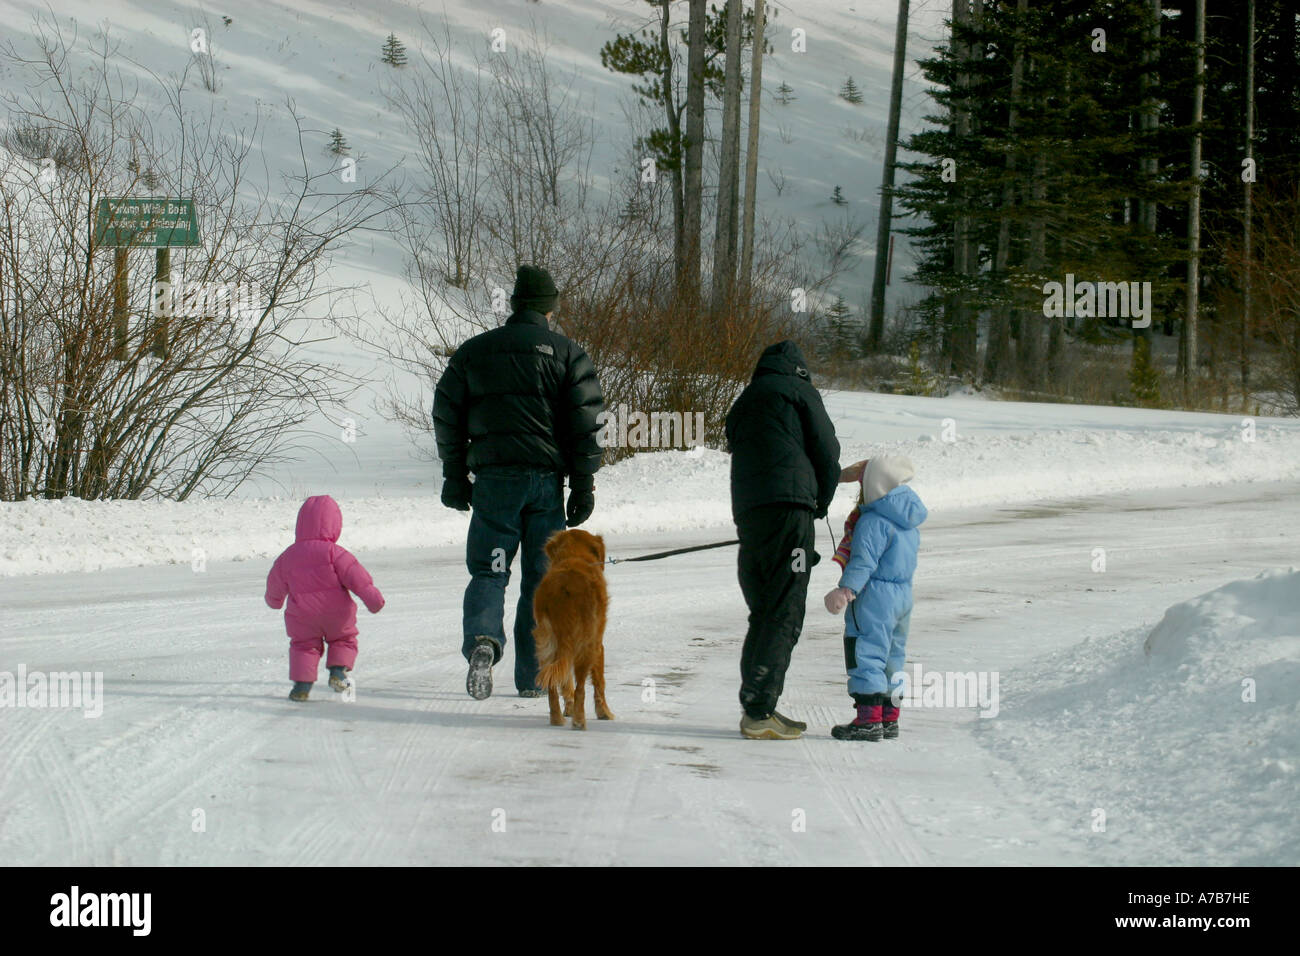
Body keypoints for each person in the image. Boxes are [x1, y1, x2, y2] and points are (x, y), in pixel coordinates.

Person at [433, 265, 604, 700]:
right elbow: (588, 424)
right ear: (550, 307)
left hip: (494, 484)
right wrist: (583, 486)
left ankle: (483, 640)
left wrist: (455, 475)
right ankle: (532, 677)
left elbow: (446, 414)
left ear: (513, 305)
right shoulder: (568, 354)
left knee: (490, 570)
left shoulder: (474, 352)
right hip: (546, 485)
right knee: (540, 581)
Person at [725, 340, 841, 740]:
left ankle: (757, 705)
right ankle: (759, 711)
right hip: (791, 514)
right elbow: (827, 450)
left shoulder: (743, 402)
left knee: (763, 610)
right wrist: (819, 502)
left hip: (751, 517)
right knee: (785, 609)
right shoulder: (800, 391)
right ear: (799, 368)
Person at [823, 456, 927, 740]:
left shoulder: (872, 521)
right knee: (893, 656)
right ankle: (889, 718)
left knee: (866, 652)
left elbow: (863, 562)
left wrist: (846, 590)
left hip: (874, 596)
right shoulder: (907, 521)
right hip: (903, 597)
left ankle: (868, 721)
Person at [265, 495, 386, 701]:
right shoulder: (335, 553)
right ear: (335, 525)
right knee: (343, 640)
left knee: (304, 646)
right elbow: (359, 579)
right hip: (336, 614)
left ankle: (302, 686)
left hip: (302, 616)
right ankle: (338, 673)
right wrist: (374, 601)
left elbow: (275, 582)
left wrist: (274, 601)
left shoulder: (288, 556)